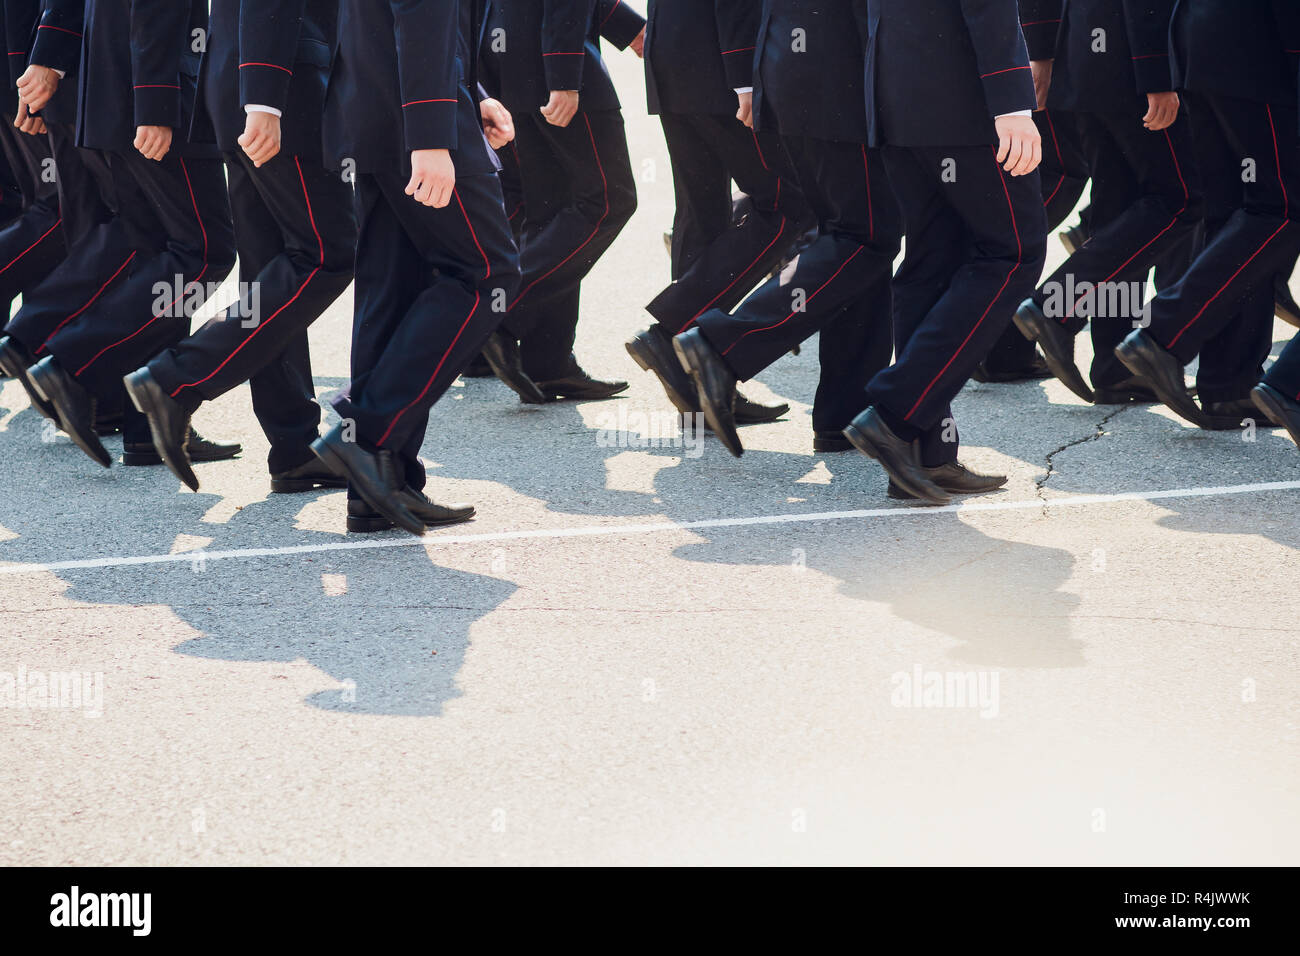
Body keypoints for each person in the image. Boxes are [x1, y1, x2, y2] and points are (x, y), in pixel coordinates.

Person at [123, 0, 356, 496]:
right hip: (280, 91)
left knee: (274, 273)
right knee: (327, 255)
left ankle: (294, 447)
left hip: (243, 83)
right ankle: (176, 378)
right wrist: (265, 100)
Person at [311, 0, 521, 535]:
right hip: (413, 120)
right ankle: (370, 436)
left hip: (380, 108)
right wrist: (431, 135)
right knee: (486, 274)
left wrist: (469, 95)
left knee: (393, 287)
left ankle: (379, 483)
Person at [0, 0, 237, 471]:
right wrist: (155, 100)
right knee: (203, 251)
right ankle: (68, 357)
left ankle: (136, 416)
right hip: (141, 87)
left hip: (103, 84)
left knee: (141, 241)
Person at [667, 0, 904, 458]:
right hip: (842, 77)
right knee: (866, 236)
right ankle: (722, 343)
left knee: (852, 239)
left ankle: (844, 415)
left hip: (797, 68)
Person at [842, 0, 1048, 505]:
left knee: (931, 265)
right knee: (1013, 252)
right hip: (959, 102)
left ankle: (926, 452)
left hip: (896, 95)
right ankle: (894, 414)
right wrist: (1011, 105)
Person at [1116, 0, 1300, 432]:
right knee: (1282, 209)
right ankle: (1163, 331)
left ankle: (1228, 385)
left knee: (1238, 213)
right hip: (1260, 54)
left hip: (1202, 44)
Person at [624, 0, 808, 431]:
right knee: (789, 204)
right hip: (719, 65)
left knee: (701, 211)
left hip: (675, 55)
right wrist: (744, 77)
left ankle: (699, 389)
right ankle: (674, 329)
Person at [1011, 0, 1205, 406]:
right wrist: (1159, 73)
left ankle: (1116, 367)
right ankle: (1056, 305)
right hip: (1132, 65)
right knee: (1182, 199)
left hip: (1086, 61)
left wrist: (1042, 52)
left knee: (1119, 212)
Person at [482, 0, 639, 401]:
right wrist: (565, 73)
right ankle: (500, 310)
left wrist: (626, 26)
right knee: (607, 202)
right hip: (555, 63)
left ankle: (548, 362)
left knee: (551, 213)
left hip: (509, 60)